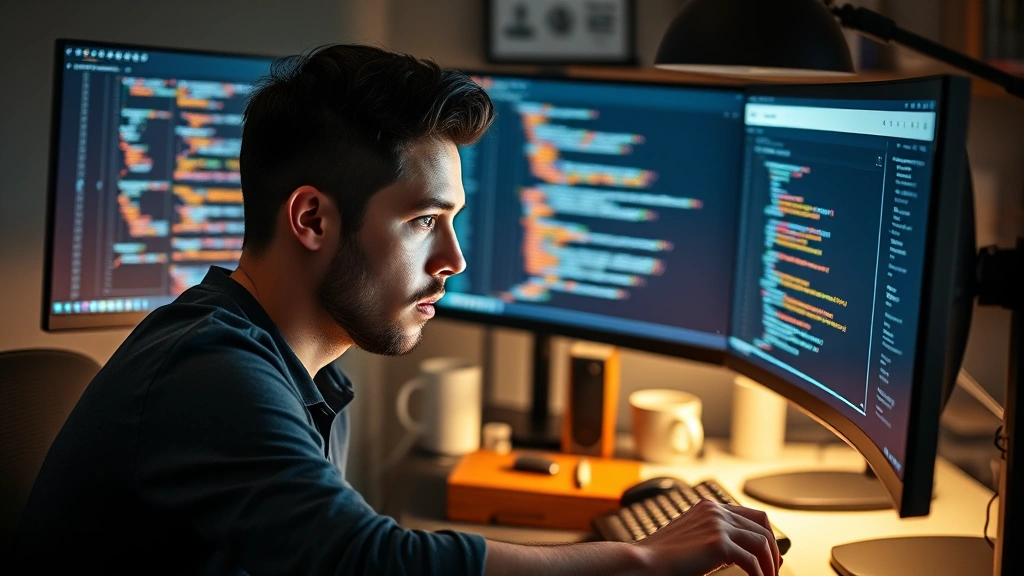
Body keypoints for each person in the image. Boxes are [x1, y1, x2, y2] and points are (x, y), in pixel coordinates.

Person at [14, 44, 780, 576]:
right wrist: (644, 558)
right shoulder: (208, 373)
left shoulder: (296, 370)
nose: (454, 259)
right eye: (422, 221)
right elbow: (364, 564)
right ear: (312, 220)